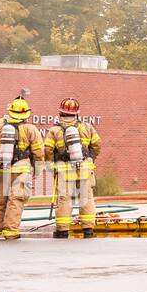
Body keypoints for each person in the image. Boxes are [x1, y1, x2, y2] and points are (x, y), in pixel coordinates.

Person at [0, 97, 47, 241]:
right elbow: (39, 152)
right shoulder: (30, 129)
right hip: (20, 171)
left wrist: (4, 119)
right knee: (16, 201)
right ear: (26, 114)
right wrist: (37, 170)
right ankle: (11, 232)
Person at [46, 98, 101, 239]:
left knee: (64, 199)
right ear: (77, 114)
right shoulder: (87, 127)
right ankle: (88, 229)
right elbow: (97, 145)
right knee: (87, 198)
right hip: (84, 169)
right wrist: (90, 159)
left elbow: (48, 150)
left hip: (64, 170)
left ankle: (62, 230)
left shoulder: (55, 130)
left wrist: (52, 166)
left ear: (60, 112)